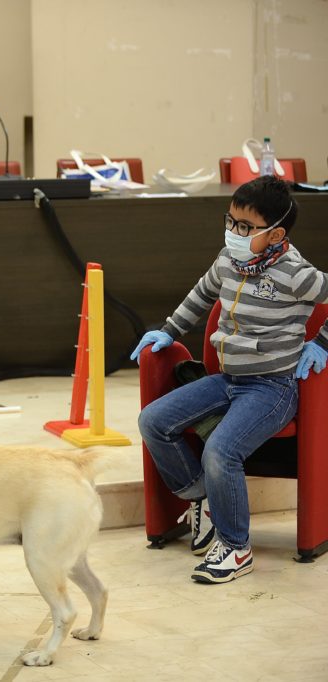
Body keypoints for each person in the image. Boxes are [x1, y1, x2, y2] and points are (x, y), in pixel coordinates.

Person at [132, 176, 328, 584]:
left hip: (272, 387)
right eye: (231, 221)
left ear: (275, 234)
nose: (234, 232)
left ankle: (237, 548)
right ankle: (199, 495)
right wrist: (169, 330)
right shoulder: (228, 259)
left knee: (220, 451)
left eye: (245, 227)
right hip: (228, 379)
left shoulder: (296, 273)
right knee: (153, 421)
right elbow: (201, 295)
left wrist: (322, 342)